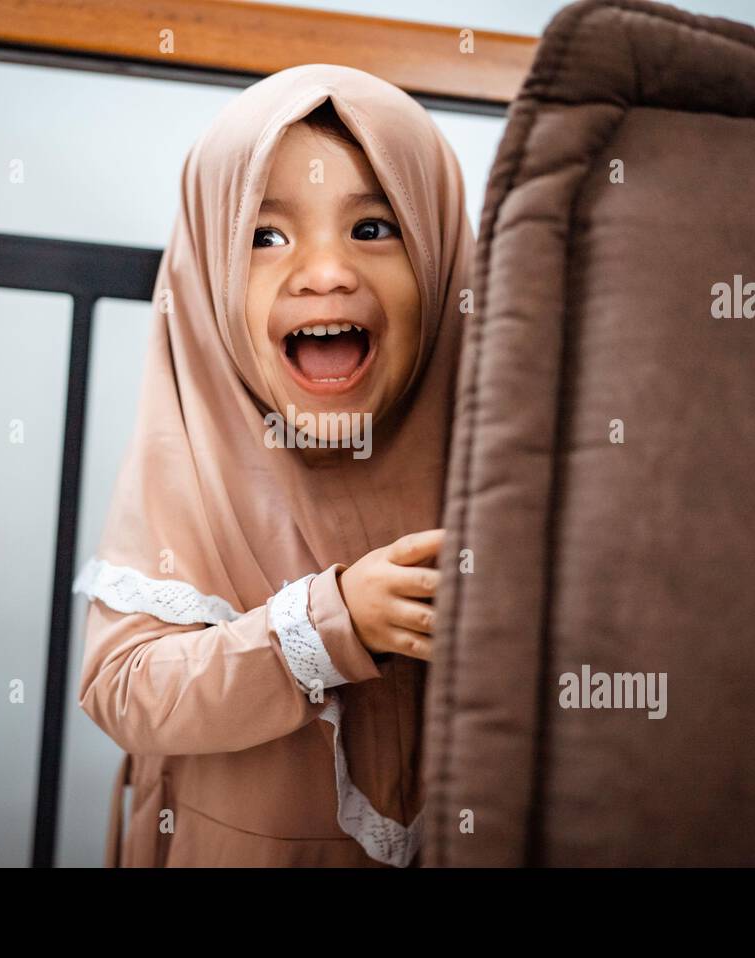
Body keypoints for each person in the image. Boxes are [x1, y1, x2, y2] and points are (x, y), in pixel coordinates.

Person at [72, 62, 474, 867]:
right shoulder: (191, 455)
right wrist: (330, 628)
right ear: (209, 286)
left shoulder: (500, 454)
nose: (326, 272)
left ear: (443, 261)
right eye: (264, 236)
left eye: (372, 229)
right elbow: (123, 686)